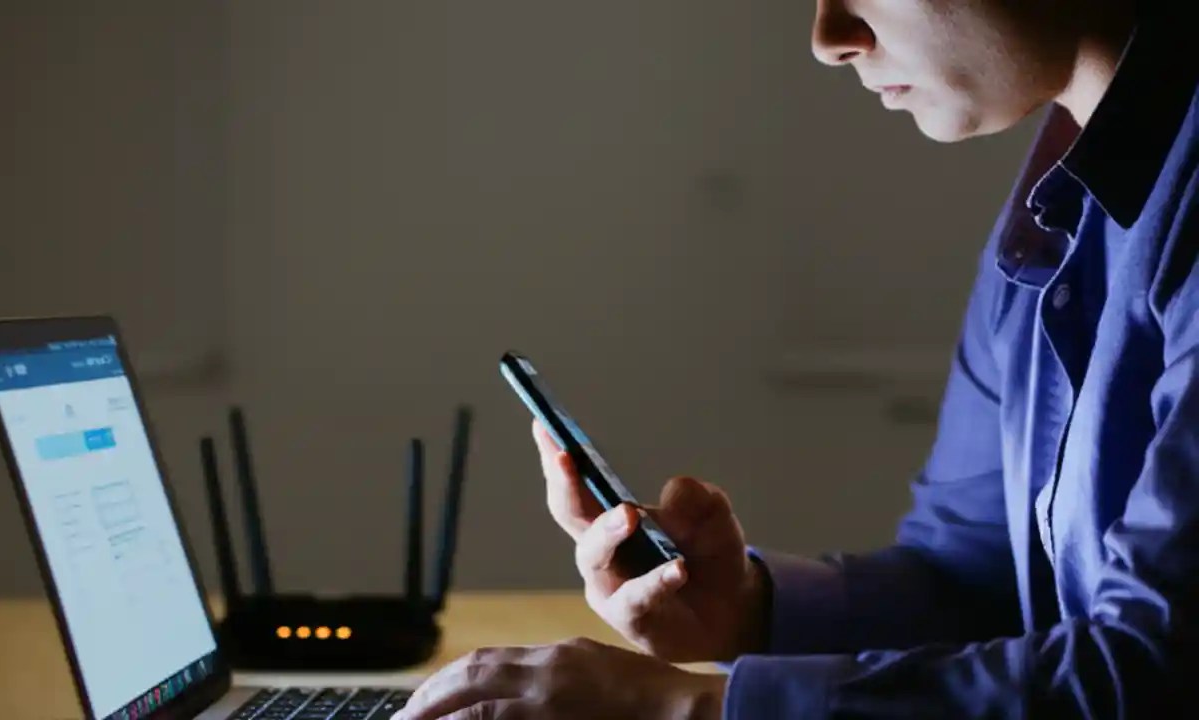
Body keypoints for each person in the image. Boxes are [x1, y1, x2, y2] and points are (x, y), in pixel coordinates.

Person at [397, 0, 1199, 716]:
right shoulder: (1053, 201)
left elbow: (1157, 672)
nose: (828, 37)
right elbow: (978, 582)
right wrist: (749, 611)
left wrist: (685, 707)